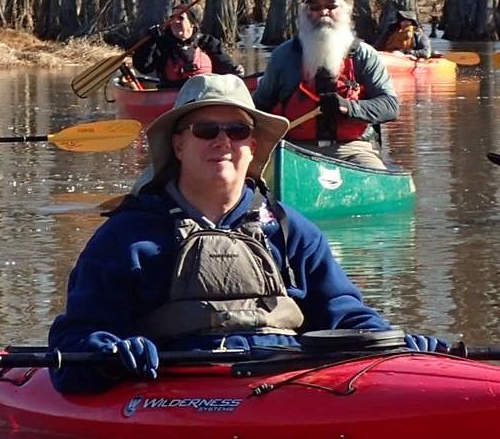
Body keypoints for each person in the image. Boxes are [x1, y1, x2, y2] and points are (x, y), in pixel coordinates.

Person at [47, 74, 445, 394]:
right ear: (179, 144)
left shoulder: (291, 230)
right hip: (176, 392)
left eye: (237, 131)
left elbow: (343, 313)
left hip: (284, 388)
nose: (223, 141)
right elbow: (75, 340)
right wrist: (107, 350)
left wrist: (394, 345)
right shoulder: (127, 236)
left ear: (252, 147)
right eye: (206, 129)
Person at [253, 0, 399, 170]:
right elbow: (260, 106)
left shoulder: (364, 55)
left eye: (331, 6)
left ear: (344, 11)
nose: (323, 12)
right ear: (305, 13)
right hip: (295, 150)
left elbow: (390, 107)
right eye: (315, 7)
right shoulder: (283, 55)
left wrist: (349, 107)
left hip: (353, 150)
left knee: (378, 178)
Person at [132, 4, 245, 89]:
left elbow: (225, 67)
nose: (175, 21)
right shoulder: (162, 45)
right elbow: (143, 67)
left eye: (180, 18)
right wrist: (149, 42)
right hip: (171, 94)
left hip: (204, 94)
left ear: (192, 24)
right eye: (172, 18)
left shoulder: (208, 43)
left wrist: (235, 71)